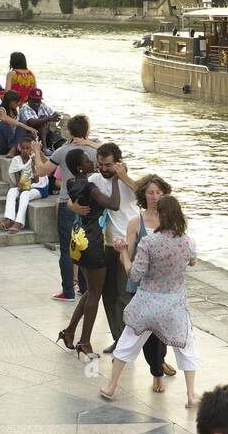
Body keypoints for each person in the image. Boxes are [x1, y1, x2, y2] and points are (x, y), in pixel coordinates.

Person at [101, 194, 199, 408]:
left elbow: (134, 275)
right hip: (174, 306)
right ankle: (191, 395)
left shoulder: (148, 242)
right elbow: (192, 262)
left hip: (146, 304)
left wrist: (123, 254)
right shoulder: (187, 242)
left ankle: (111, 386)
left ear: (161, 215)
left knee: (127, 344)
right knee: (186, 347)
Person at [57, 149, 121, 359]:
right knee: (95, 293)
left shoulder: (71, 184)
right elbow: (114, 205)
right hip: (93, 243)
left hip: (79, 241)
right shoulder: (90, 187)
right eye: (86, 159)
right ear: (80, 167)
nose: (91, 160)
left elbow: (72, 201)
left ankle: (69, 331)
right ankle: (84, 342)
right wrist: (116, 180)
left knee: (90, 290)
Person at [34, 115, 99, 300]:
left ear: (69, 132)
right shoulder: (94, 152)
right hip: (90, 203)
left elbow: (41, 171)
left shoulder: (62, 151)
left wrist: (37, 151)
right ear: (87, 131)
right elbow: (114, 154)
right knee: (86, 245)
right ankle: (85, 288)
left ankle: (68, 290)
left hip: (67, 203)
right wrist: (90, 142)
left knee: (66, 249)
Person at [82, 143, 140, 353]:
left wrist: (122, 177)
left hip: (129, 244)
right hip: (106, 244)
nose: (103, 169)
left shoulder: (128, 181)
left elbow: (148, 195)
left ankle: (128, 341)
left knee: (125, 294)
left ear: (118, 162)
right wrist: (73, 206)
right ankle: (118, 338)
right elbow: (77, 195)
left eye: (107, 165)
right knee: (108, 295)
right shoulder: (95, 179)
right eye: (100, 164)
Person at [122, 175, 178, 391]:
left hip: (166, 287)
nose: (155, 197)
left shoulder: (172, 221)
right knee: (149, 333)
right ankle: (156, 372)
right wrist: (122, 249)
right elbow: (129, 250)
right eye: (150, 192)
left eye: (158, 192)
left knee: (162, 330)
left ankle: (159, 362)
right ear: (143, 196)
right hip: (142, 286)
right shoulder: (136, 222)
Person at [0, 135, 50, 232]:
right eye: (23, 148)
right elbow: (17, 182)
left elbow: (38, 179)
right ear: (19, 148)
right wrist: (22, 186)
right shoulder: (16, 160)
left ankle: (18, 223)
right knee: (11, 191)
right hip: (24, 186)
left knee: (24, 195)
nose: (25, 150)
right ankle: (8, 219)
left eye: (28, 148)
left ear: (32, 149)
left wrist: (37, 155)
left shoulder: (36, 158)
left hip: (39, 188)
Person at [0, 90, 27, 156]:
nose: (18, 103)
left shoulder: (17, 110)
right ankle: (14, 148)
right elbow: (6, 119)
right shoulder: (0, 110)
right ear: (10, 101)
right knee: (5, 123)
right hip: (0, 146)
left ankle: (14, 148)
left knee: (23, 122)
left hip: (13, 143)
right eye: (16, 101)